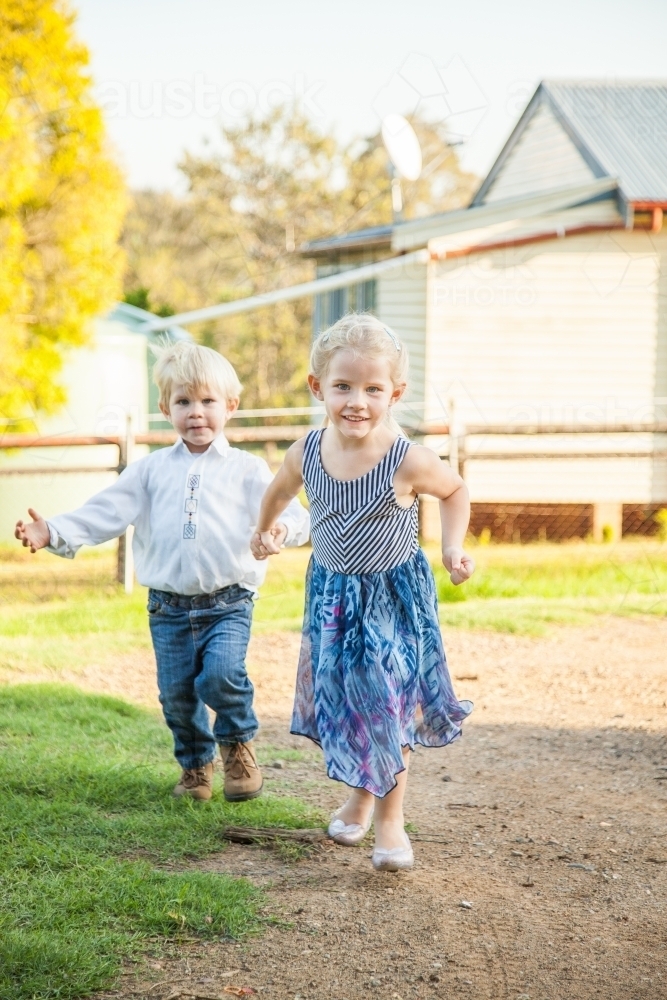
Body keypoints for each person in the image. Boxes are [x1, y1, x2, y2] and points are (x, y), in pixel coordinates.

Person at [15, 341, 309, 803]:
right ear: (164, 407)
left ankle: (237, 747)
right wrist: (50, 531)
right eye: (184, 402)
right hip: (167, 609)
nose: (196, 412)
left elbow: (294, 513)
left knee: (221, 676)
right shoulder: (149, 471)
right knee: (176, 696)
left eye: (208, 401)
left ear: (230, 406)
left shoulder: (247, 469)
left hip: (228, 602)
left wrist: (278, 532)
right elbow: (104, 512)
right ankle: (195, 770)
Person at [251, 313, 474, 871]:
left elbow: (455, 490)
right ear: (316, 387)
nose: (357, 401)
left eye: (373, 389)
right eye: (343, 386)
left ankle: (390, 822)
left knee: (387, 704)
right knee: (349, 705)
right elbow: (278, 491)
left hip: (392, 601)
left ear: (395, 393)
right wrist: (265, 529)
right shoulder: (306, 452)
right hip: (332, 599)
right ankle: (358, 798)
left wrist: (451, 548)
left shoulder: (407, 460)